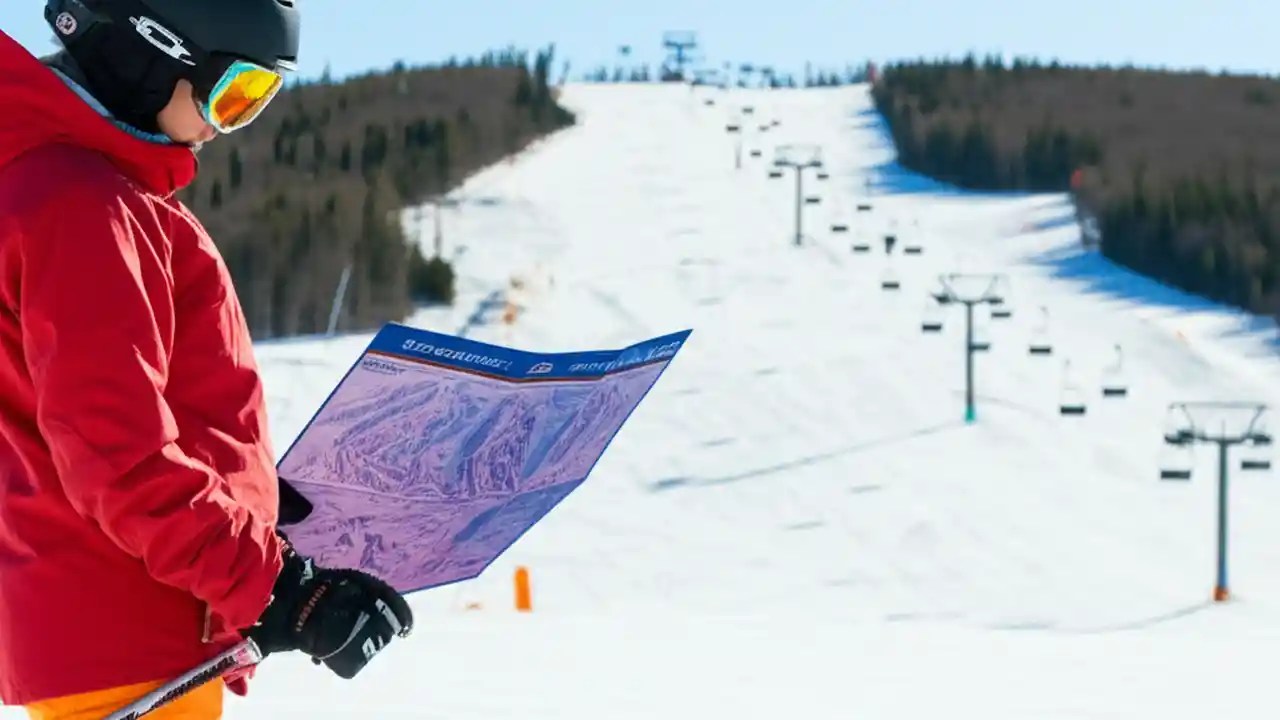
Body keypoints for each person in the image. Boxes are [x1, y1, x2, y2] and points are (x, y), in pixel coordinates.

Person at [0, 1, 414, 718]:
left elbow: (95, 418)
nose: (227, 124)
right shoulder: (84, 206)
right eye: (234, 93)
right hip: (129, 641)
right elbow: (115, 454)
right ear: (150, 50)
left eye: (257, 101)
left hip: (123, 633)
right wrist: (279, 588)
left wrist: (247, 494)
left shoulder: (80, 189)